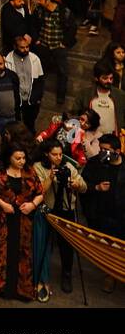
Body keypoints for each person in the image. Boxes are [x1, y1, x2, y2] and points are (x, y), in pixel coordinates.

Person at [0, 143, 43, 301]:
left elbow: (40, 192)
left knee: (20, 252)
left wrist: (32, 204)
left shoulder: (29, 171)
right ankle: (1, 285)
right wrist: (3, 204)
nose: (21, 161)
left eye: (23, 158)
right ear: (9, 158)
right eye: (18, 158)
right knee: (1, 251)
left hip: (23, 219)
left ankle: (19, 288)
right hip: (2, 219)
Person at [33, 140, 87, 298]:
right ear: (46, 154)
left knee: (66, 245)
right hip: (48, 210)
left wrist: (76, 184)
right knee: (44, 244)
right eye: (54, 154)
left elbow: (84, 187)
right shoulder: (38, 167)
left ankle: (67, 274)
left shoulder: (68, 166)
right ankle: (41, 276)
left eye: (60, 154)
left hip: (66, 209)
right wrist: (50, 177)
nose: (58, 157)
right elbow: (38, 190)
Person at [82, 133, 122, 291]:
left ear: (117, 151)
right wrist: (96, 187)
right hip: (101, 214)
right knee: (107, 247)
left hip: (121, 216)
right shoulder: (94, 163)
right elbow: (83, 185)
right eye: (100, 149)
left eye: (106, 150)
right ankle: (109, 275)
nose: (102, 153)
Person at [32, 0, 76, 106]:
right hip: (44, 45)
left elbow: (72, 28)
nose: (38, 2)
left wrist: (65, 43)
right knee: (39, 70)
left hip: (58, 46)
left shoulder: (64, 12)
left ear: (48, 1)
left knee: (63, 71)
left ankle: (61, 96)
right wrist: (36, 39)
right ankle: (37, 94)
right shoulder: (39, 11)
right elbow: (33, 25)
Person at [72, 62, 125, 139]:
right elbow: (74, 114)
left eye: (111, 78)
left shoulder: (120, 95)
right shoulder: (85, 94)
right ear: (96, 78)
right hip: (89, 139)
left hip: (112, 141)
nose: (109, 81)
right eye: (105, 78)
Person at [5, 34, 46, 133]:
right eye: (22, 47)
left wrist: (37, 98)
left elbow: (40, 80)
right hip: (16, 100)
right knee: (16, 126)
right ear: (15, 47)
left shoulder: (35, 59)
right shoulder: (8, 60)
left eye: (27, 47)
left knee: (30, 125)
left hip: (31, 99)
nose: (25, 49)